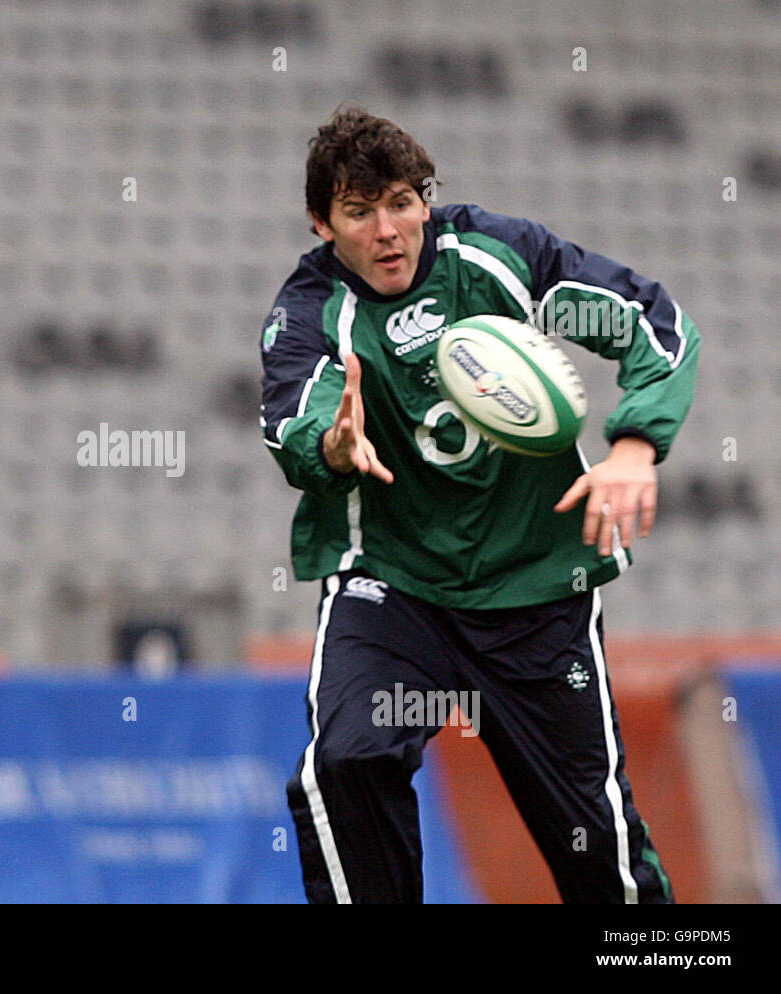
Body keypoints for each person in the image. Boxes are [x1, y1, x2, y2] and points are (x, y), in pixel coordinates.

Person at [260, 105, 698, 903]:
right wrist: (333, 442)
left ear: (426, 201)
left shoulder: (500, 256)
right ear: (324, 224)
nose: (386, 230)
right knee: (345, 763)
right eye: (359, 212)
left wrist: (635, 447)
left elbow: (652, 325)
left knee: (596, 850)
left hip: (536, 592)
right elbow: (296, 418)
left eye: (399, 202)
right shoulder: (311, 311)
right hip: (395, 590)